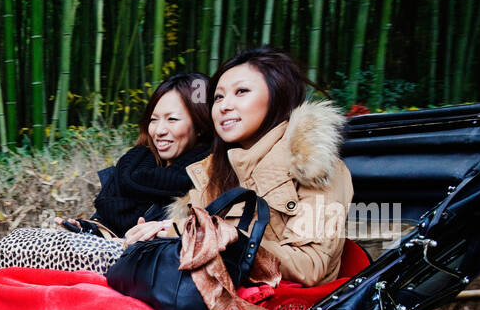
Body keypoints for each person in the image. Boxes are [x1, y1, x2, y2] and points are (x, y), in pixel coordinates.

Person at [125, 46, 353, 287]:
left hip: (285, 309)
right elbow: (203, 239)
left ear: (278, 96)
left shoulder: (317, 168)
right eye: (218, 97)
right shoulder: (211, 171)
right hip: (210, 295)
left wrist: (228, 240)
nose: (224, 106)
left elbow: (311, 265)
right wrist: (163, 231)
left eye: (241, 91)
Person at [59, 72, 212, 238]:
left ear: (200, 126)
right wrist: (85, 229)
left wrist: (169, 231)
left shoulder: (210, 180)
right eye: (154, 120)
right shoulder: (131, 167)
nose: (159, 131)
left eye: (172, 119)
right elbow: (108, 231)